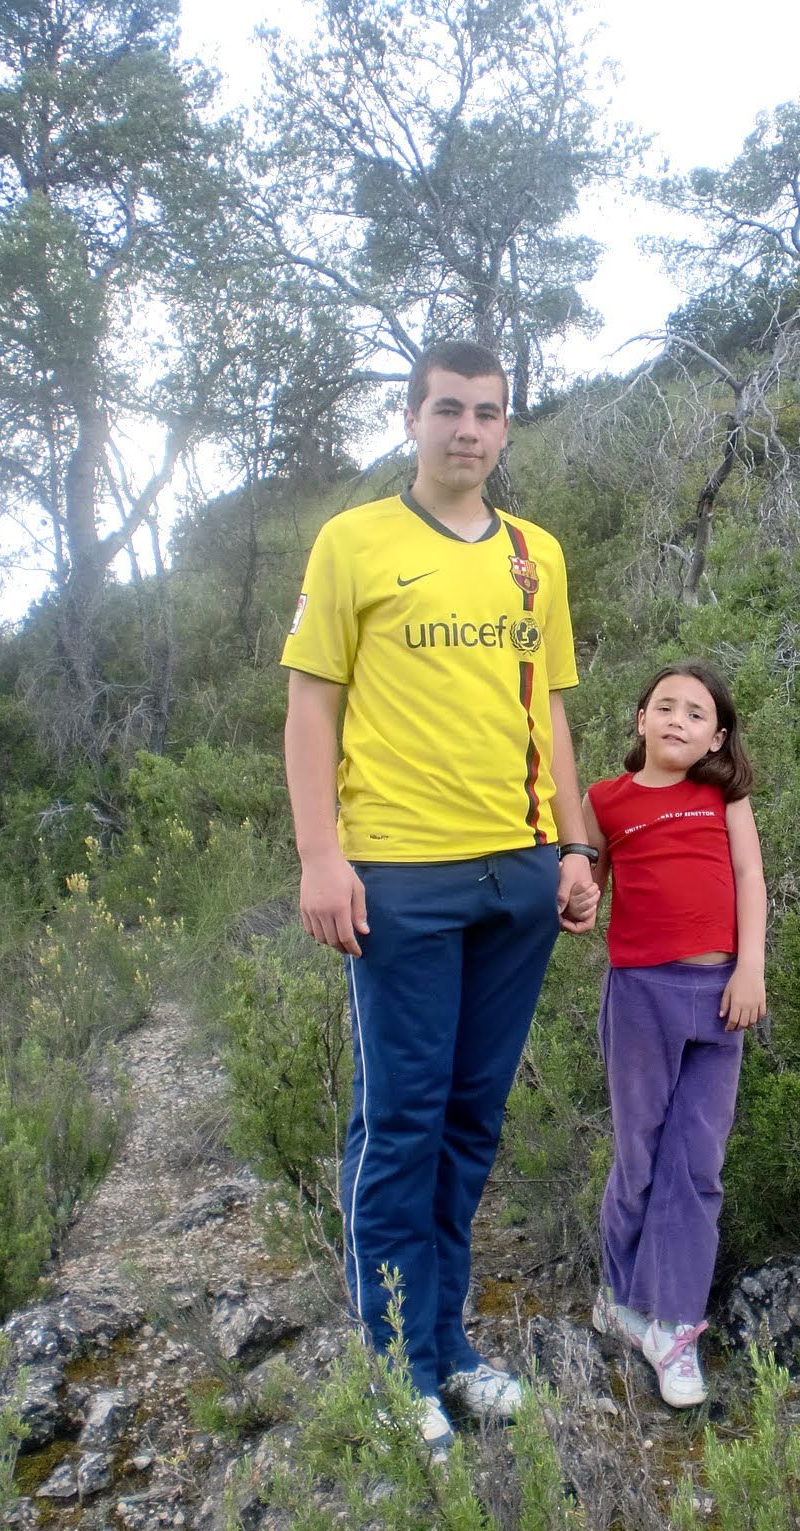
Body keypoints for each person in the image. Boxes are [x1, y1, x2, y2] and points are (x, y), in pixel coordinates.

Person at [280, 339, 598, 1455]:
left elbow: (548, 709)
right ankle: (393, 1363)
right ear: (412, 418)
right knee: (400, 1123)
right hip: (398, 880)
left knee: (472, 1121)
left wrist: (573, 844)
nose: (469, 429)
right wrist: (322, 856)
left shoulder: (535, 556)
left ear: (508, 428)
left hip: (516, 876)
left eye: (489, 413)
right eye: (449, 409)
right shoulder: (355, 540)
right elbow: (312, 705)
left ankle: (450, 1348)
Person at [582, 661, 766, 1407]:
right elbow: (582, 884)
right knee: (640, 1153)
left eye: (695, 714)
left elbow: (749, 878)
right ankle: (618, 1296)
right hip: (641, 997)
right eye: (663, 706)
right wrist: (569, 893)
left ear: (715, 736)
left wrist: (748, 968)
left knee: (695, 1164)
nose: (676, 720)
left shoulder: (721, 796)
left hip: (720, 994)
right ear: (639, 718)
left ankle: (673, 1325)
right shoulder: (604, 801)